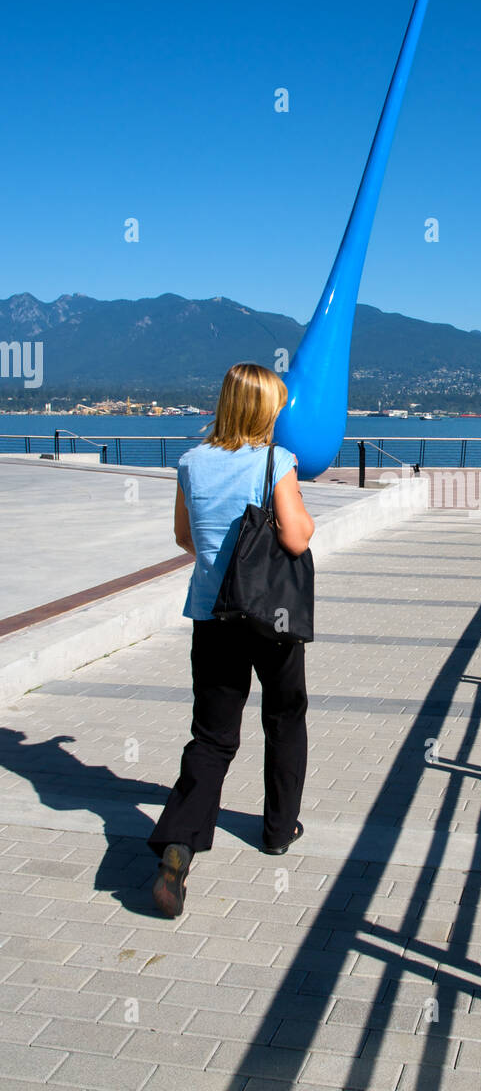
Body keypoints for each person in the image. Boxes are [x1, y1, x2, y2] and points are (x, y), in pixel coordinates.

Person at [149, 362, 315, 917]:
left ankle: (178, 844)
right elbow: (293, 536)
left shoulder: (191, 463)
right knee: (284, 714)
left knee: (214, 735)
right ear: (266, 409)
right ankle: (277, 828)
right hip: (272, 617)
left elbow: (183, 537)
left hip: (211, 615)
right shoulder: (277, 462)